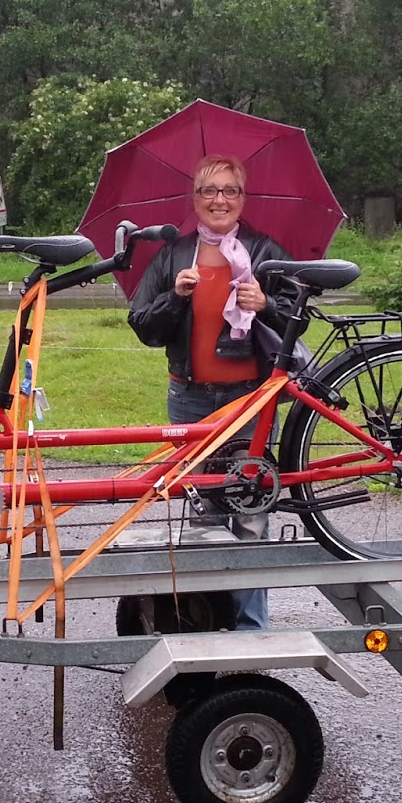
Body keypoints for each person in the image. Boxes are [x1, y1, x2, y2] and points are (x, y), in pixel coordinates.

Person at [127, 154, 293, 631]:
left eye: (230, 190)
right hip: (191, 399)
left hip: (249, 400)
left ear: (243, 199)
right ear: (194, 199)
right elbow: (144, 327)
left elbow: (297, 321)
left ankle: (250, 628)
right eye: (209, 190)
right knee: (203, 512)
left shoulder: (266, 252)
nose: (219, 199)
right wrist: (174, 297)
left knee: (251, 511)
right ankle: (208, 620)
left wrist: (267, 304)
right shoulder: (174, 255)